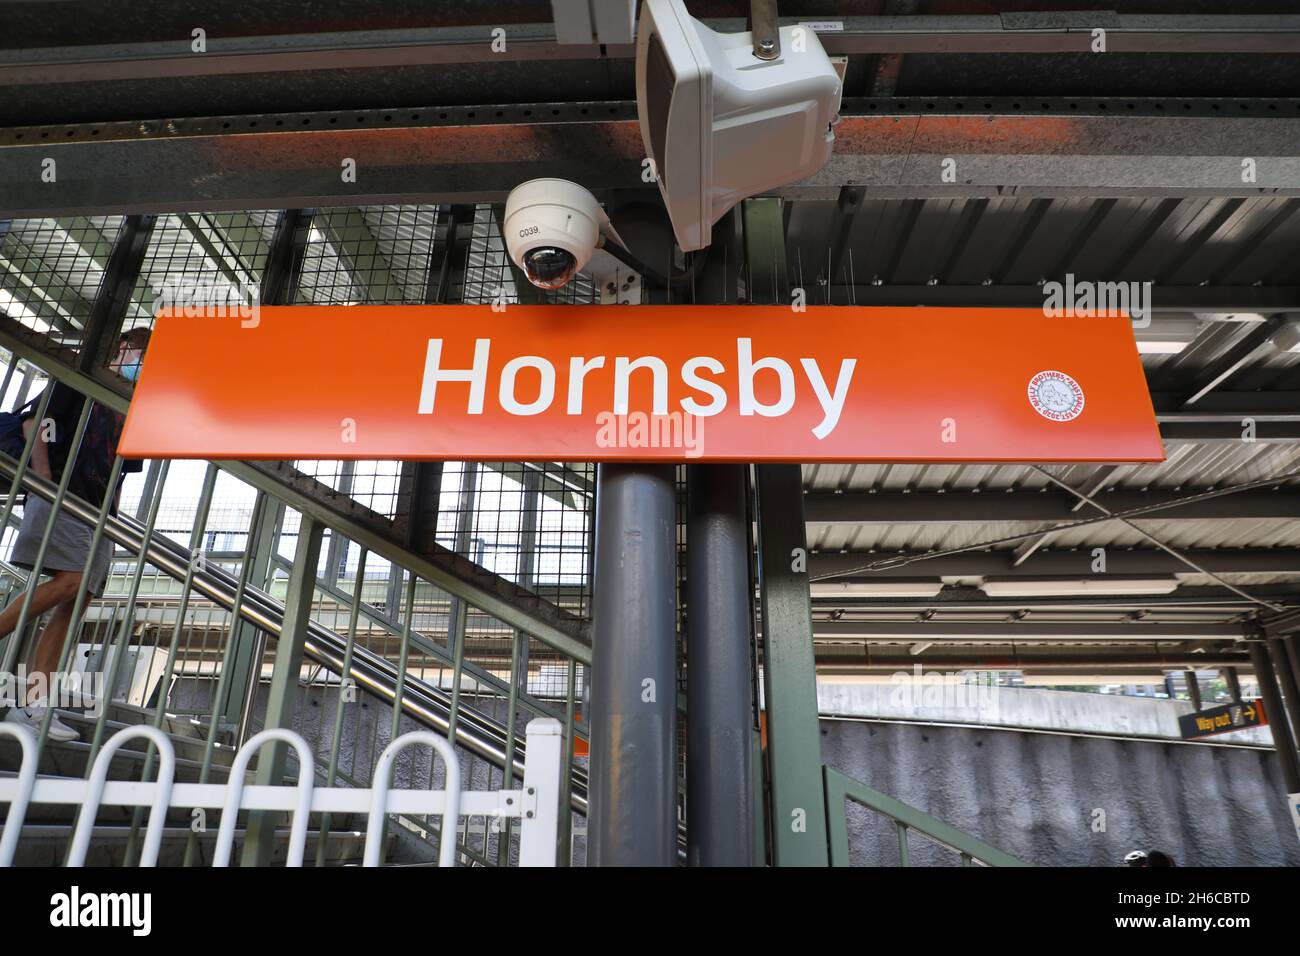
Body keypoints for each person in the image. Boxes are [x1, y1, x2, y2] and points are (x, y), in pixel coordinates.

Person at [1, 327, 148, 740]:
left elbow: (122, 470)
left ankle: (32, 705)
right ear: (122, 347)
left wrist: (114, 520)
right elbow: (35, 426)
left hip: (98, 513)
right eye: (142, 356)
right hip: (63, 497)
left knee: (79, 597)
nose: (144, 368)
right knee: (72, 581)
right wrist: (44, 481)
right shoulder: (79, 381)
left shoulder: (131, 405)